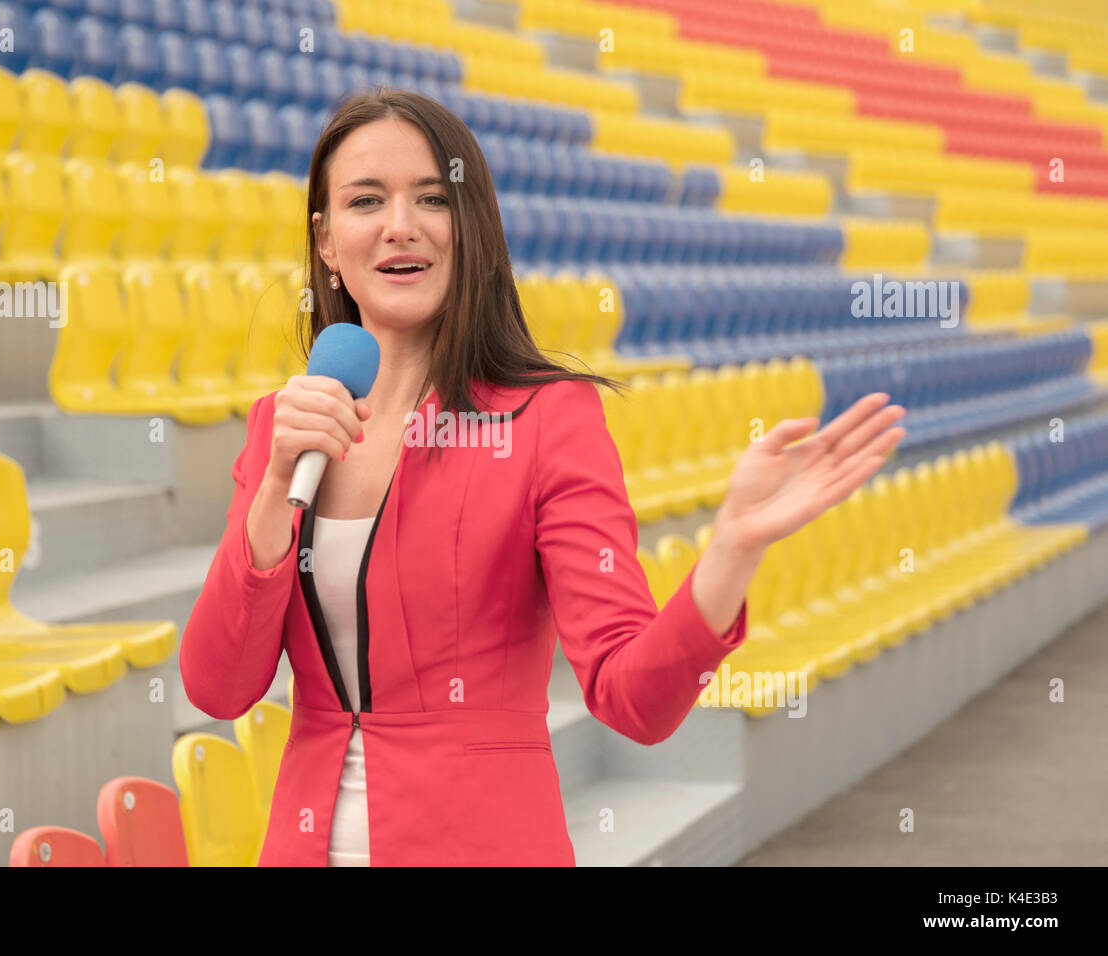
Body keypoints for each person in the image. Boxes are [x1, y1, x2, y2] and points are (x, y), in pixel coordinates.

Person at [179, 87, 906, 866]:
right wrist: (271, 496)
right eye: (366, 201)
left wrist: (731, 551)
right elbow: (219, 689)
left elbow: (635, 700)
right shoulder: (281, 430)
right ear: (326, 241)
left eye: (433, 197)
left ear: (472, 226)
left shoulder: (545, 421)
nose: (401, 225)